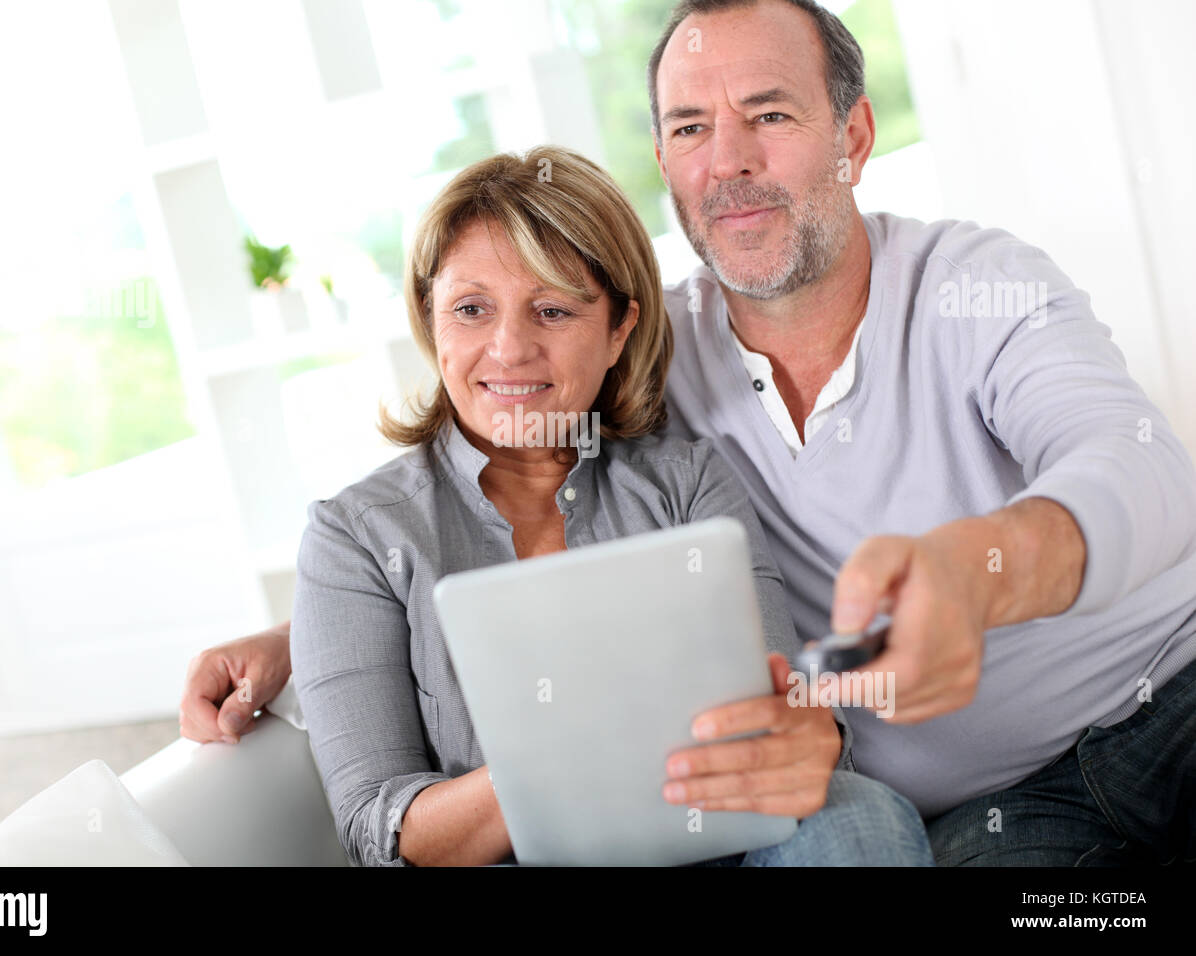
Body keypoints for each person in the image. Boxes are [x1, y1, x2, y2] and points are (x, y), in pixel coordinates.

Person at [182, 0, 1196, 866]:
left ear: (852, 136)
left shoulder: (971, 285)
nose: (730, 163)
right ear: (664, 158)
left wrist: (978, 568)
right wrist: (322, 632)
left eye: (768, 114)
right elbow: (501, 473)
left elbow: (1139, 468)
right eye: (690, 128)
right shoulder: (643, 355)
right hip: (994, 820)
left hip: (1170, 699)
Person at [275, 145, 931, 866]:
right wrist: (576, 758)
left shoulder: (685, 483)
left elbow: (794, 732)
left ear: (620, 329)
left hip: (722, 851)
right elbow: (379, 831)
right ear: (431, 322)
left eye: (553, 310)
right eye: (470, 309)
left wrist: (807, 735)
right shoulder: (357, 537)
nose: (509, 348)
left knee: (859, 813)